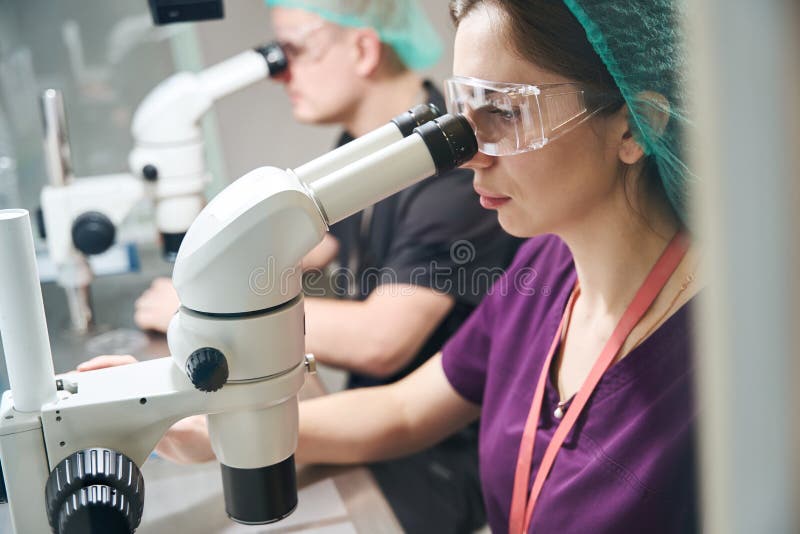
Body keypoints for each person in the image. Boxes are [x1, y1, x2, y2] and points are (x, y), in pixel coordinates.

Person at [83, 0, 700, 531]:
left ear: (636, 123)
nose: (468, 156)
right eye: (467, 108)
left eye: (506, 113)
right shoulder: (542, 273)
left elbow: (383, 341)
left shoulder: (722, 366)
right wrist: (213, 429)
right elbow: (405, 409)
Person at [126, 1, 521, 532]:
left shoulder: (447, 174)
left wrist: (207, 311)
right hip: (366, 429)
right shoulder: (365, 152)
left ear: (363, 48)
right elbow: (297, 249)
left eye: (294, 49)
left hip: (431, 465)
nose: (280, 72)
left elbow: (381, 339)